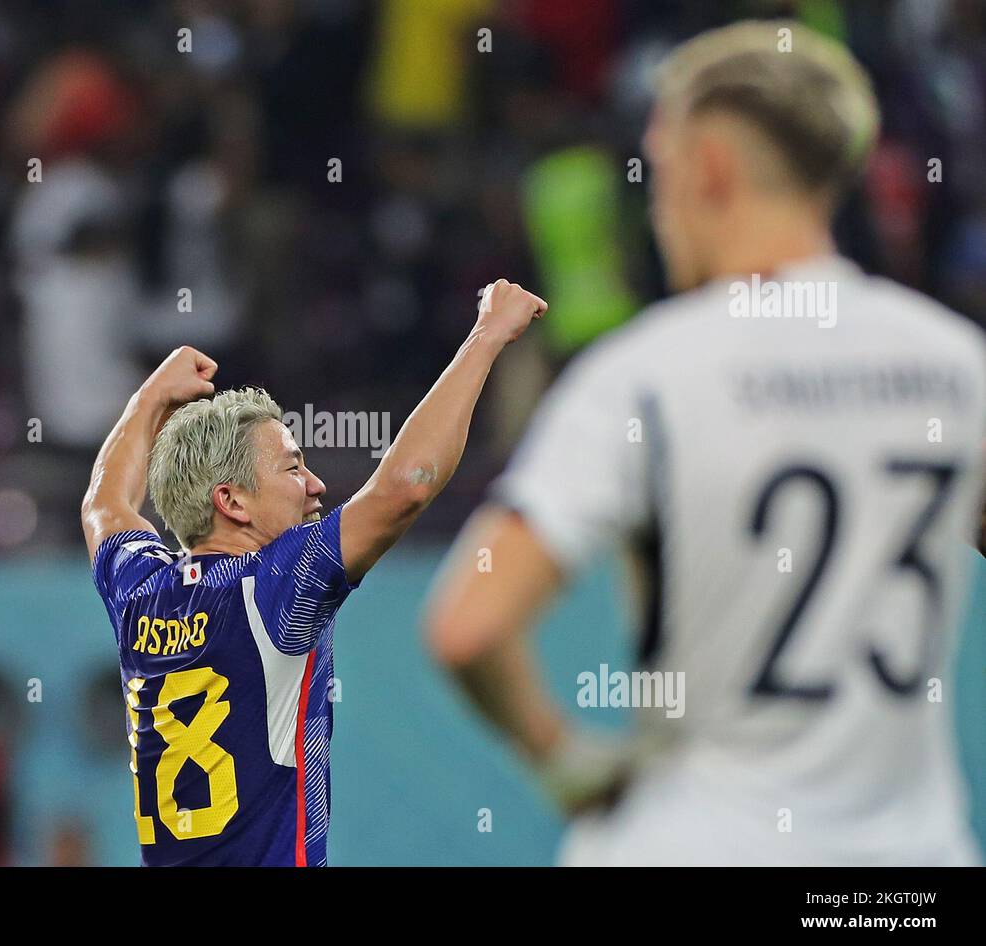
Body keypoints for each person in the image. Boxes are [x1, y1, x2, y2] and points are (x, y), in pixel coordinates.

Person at [423, 20, 986, 865]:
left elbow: (468, 625)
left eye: (662, 171)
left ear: (712, 165)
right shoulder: (953, 364)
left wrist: (566, 763)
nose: (655, 207)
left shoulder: (647, 375)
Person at [82, 279, 547, 865]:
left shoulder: (138, 593)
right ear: (233, 502)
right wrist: (486, 336)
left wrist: (149, 400)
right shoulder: (277, 585)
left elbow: (103, 505)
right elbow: (406, 487)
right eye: (293, 467)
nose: (317, 485)